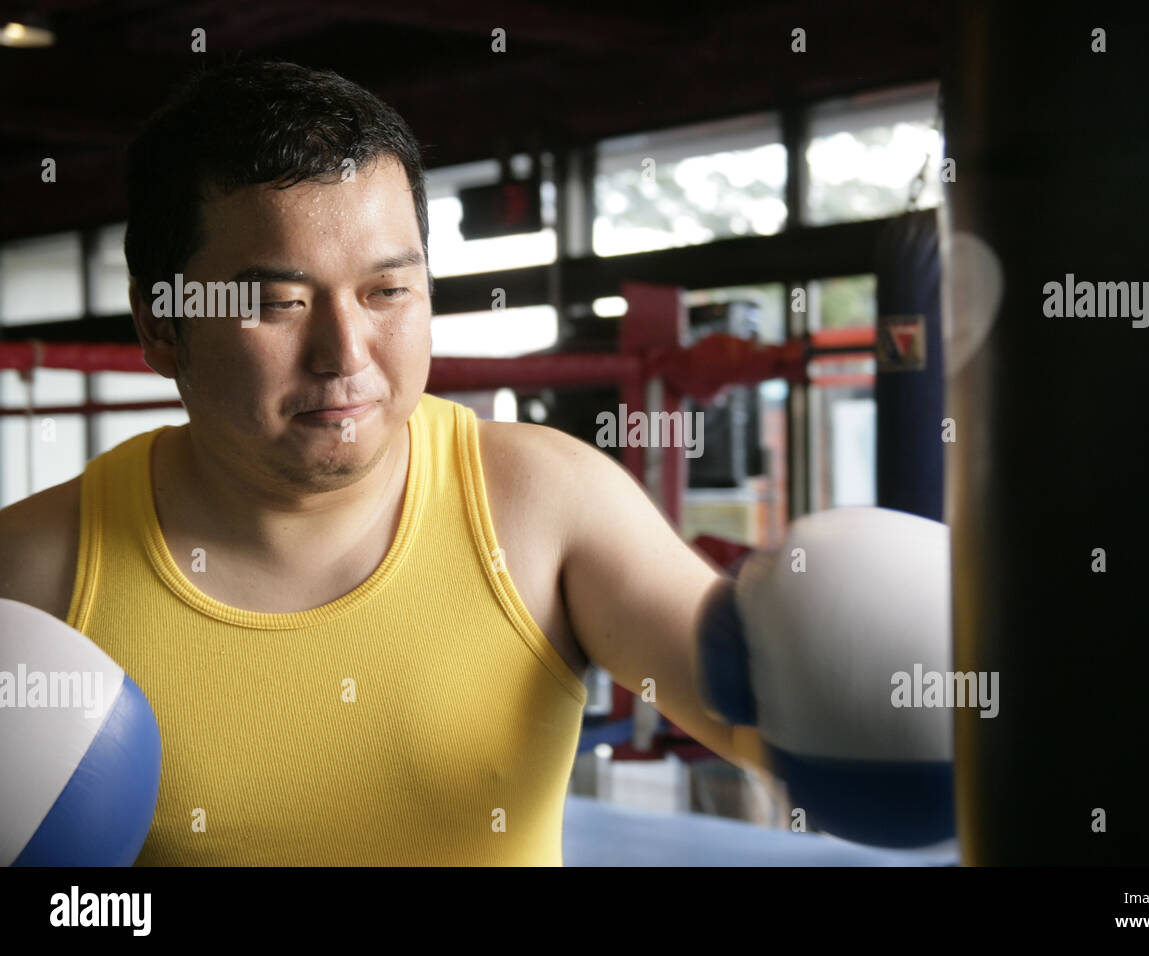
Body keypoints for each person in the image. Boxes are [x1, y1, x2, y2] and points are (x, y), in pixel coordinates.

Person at [0, 60, 768, 865]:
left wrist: (864, 685)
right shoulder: (34, 576)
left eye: (387, 291)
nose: (344, 355)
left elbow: (771, 715)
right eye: (277, 303)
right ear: (161, 326)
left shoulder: (546, 504)